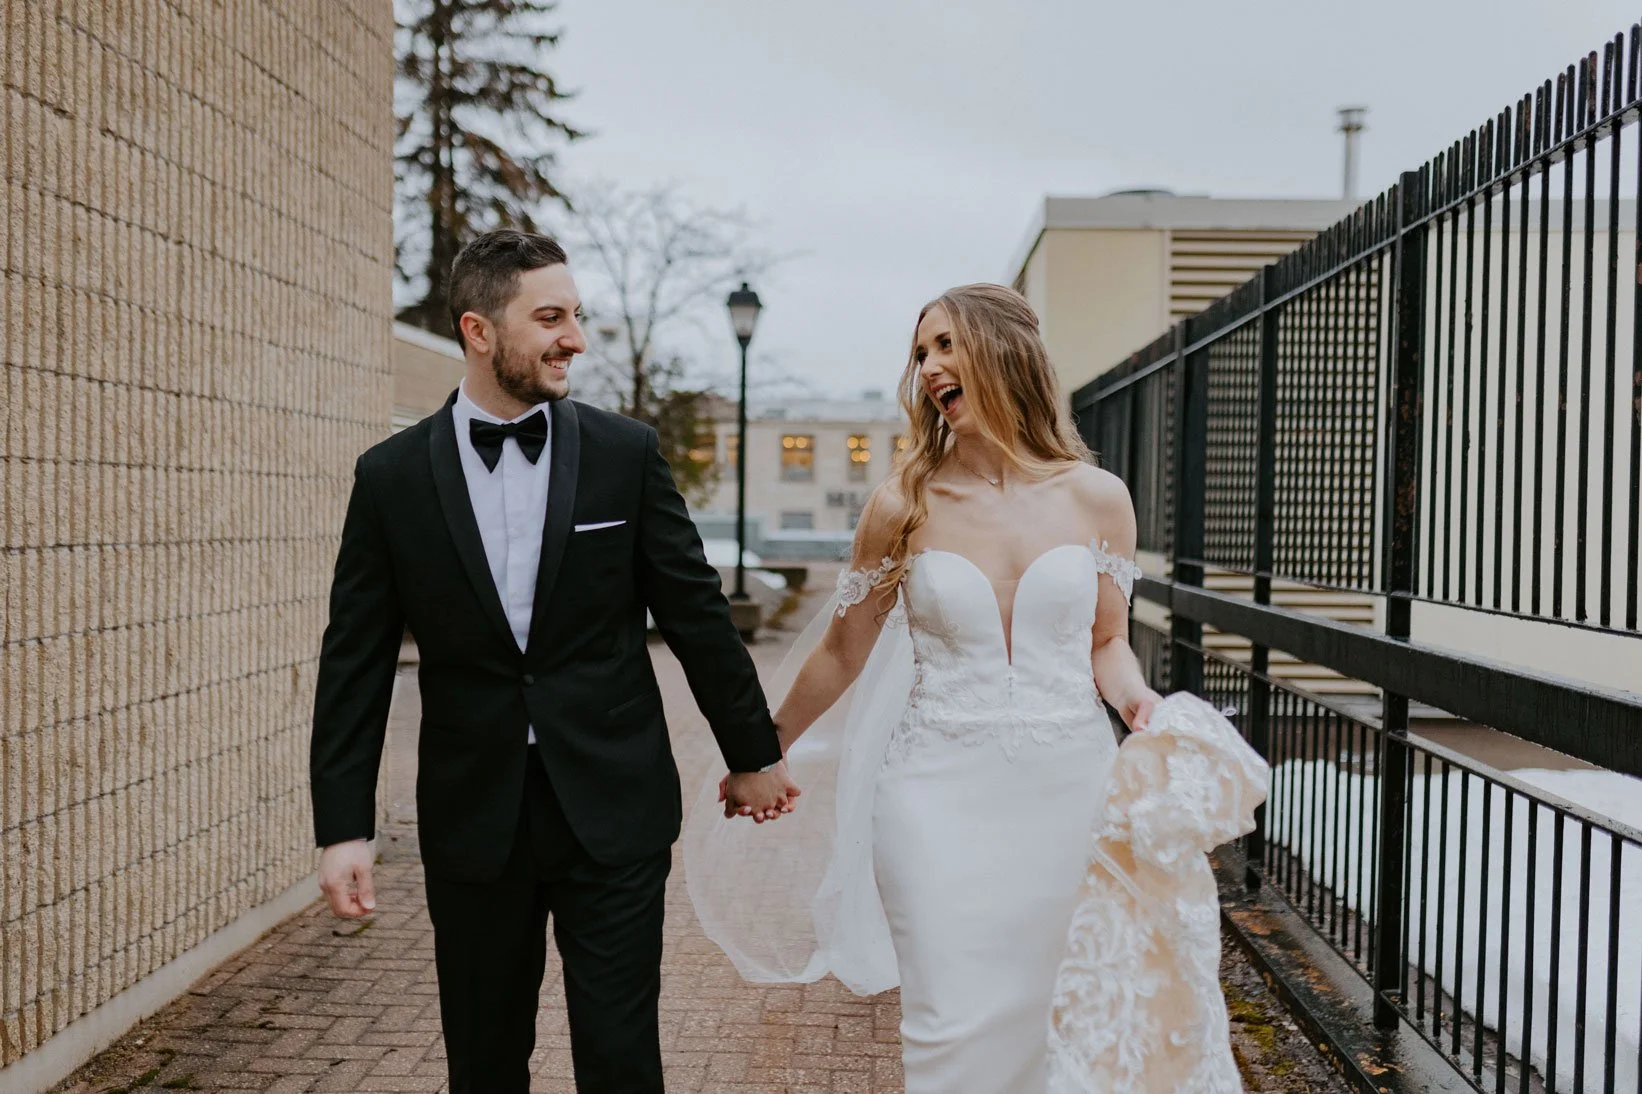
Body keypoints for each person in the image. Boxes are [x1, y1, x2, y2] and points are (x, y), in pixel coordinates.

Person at [684, 283, 1257, 1092]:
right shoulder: (902, 505)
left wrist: (1139, 704)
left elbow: (1106, 641)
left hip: (1072, 795)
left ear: (1005, 350)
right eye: (920, 353)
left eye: (945, 344)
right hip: (934, 797)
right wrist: (760, 748)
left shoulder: (1098, 498)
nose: (929, 367)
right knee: (950, 1027)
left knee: (1059, 1017)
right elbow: (842, 651)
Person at [308, 229, 799, 1093]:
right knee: (485, 1061)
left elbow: (696, 616)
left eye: (578, 315)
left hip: (613, 810)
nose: (575, 336)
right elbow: (356, 658)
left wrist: (752, 753)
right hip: (474, 821)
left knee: (619, 1060)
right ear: (478, 330)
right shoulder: (389, 478)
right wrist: (343, 825)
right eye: (551, 317)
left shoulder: (624, 454)